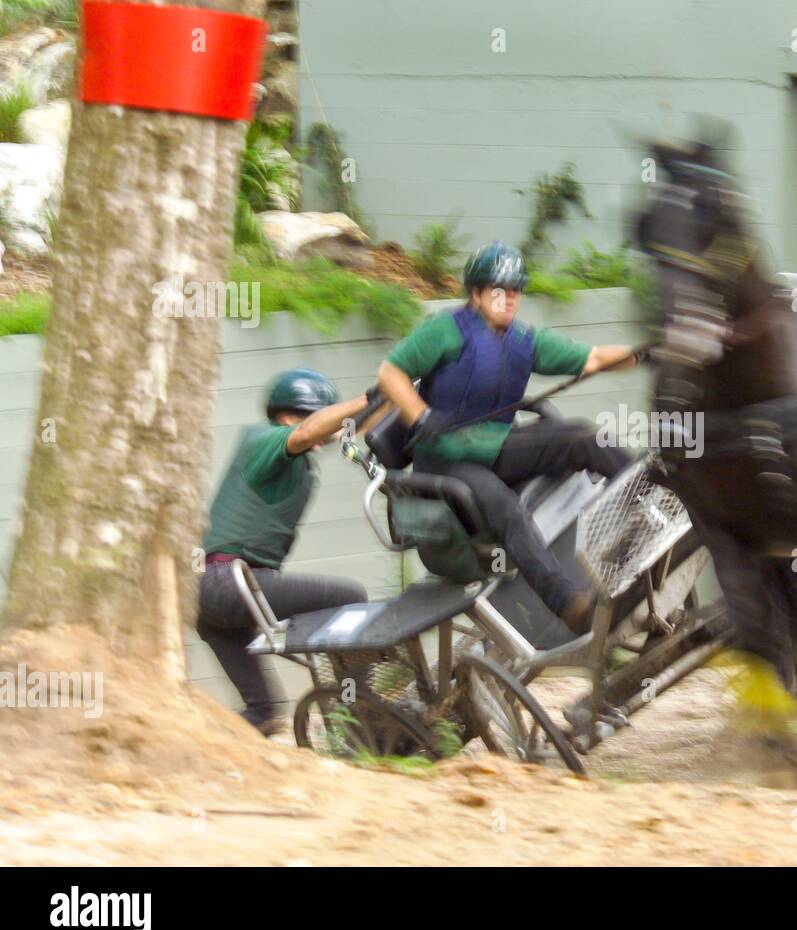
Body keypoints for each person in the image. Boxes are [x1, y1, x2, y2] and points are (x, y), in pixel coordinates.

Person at [376, 241, 641, 634]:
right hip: (447, 460)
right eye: (498, 291)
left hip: (494, 447)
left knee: (584, 436)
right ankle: (568, 605)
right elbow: (390, 373)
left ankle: (656, 500)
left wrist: (643, 355)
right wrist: (421, 415)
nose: (508, 298)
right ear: (477, 294)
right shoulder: (445, 330)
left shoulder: (523, 341)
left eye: (515, 291)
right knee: (507, 508)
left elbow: (595, 358)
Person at [198, 369, 372, 734]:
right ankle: (359, 717)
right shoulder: (266, 440)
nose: (324, 434)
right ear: (290, 418)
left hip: (212, 598)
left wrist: (399, 396)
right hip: (228, 584)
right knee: (352, 597)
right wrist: (370, 397)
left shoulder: (289, 455)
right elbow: (312, 431)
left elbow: (349, 429)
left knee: (264, 712)